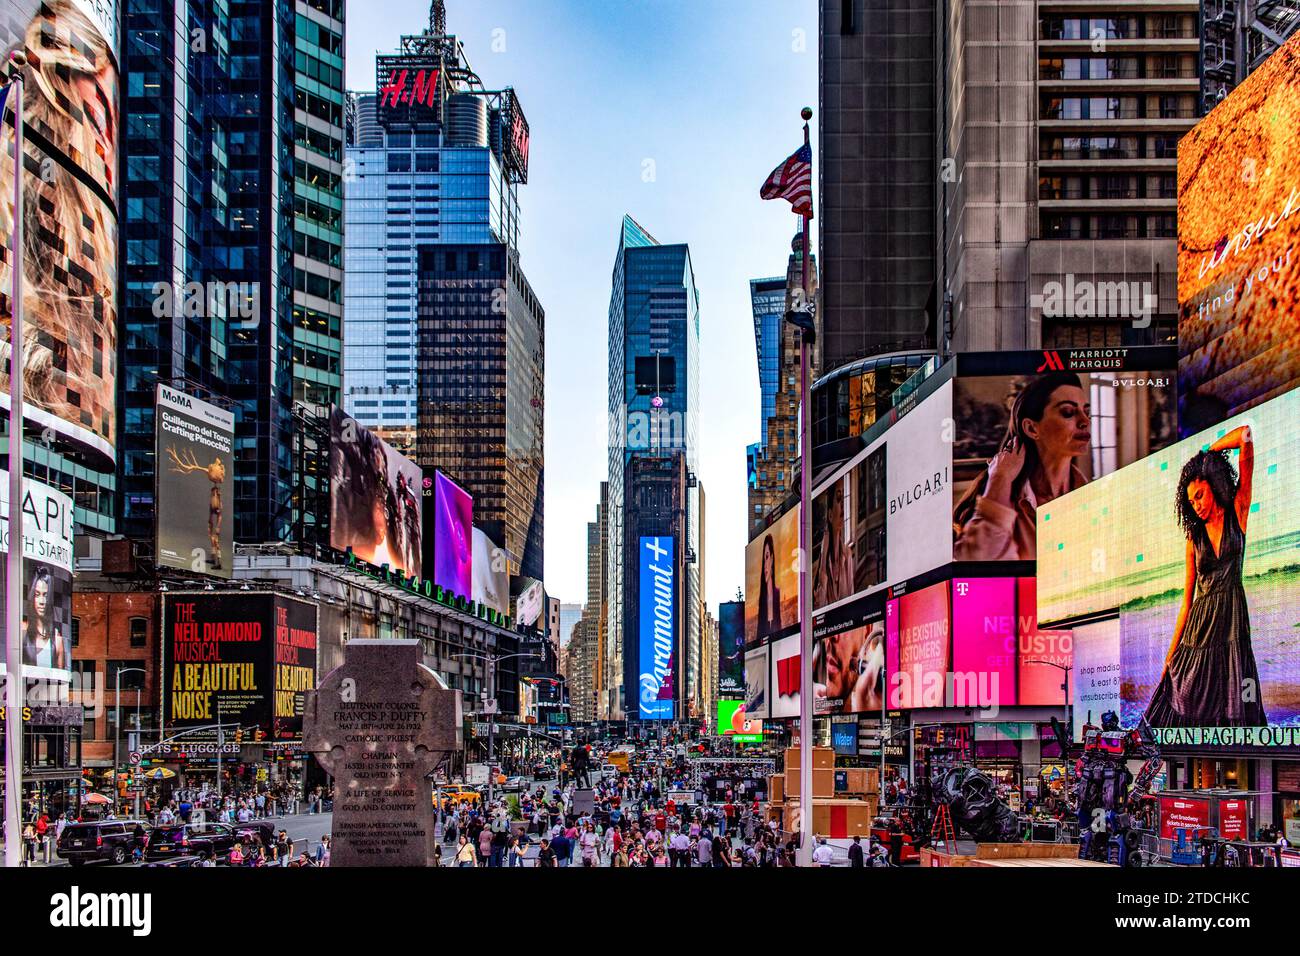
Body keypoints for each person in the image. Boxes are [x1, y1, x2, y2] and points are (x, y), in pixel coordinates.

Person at [1146, 429, 1267, 727]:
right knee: (1190, 703)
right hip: (1199, 629)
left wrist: (1208, 456)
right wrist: (1169, 658)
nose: (1196, 505)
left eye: (1199, 495)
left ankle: (1239, 770)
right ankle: (1199, 773)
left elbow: (1246, 436)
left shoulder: (1238, 510)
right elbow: (1186, 603)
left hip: (1232, 620)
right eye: (1191, 501)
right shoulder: (1193, 539)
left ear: (1212, 484)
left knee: (1238, 700)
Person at [953, 371, 1092, 561]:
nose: (1085, 421)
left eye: (1087, 412)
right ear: (1032, 428)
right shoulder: (1002, 494)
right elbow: (978, 564)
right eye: (1068, 412)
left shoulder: (1091, 499)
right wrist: (1000, 479)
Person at [813, 480, 854, 608]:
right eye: (838, 499)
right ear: (830, 515)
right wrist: (824, 560)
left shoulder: (847, 554)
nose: (842, 504)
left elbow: (851, 600)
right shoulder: (818, 566)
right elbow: (819, 607)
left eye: (843, 499)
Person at [756, 534, 783, 639]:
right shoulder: (762, 600)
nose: (765, 565)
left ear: (772, 558)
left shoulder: (777, 593)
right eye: (764, 560)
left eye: (767, 557)